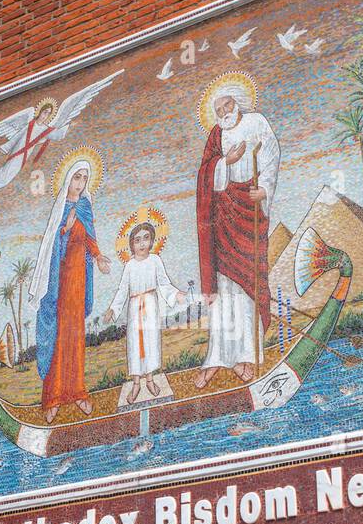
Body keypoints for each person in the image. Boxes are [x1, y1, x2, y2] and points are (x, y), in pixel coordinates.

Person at [194, 76, 280, 388]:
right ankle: (217, 357)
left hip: (250, 211)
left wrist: (265, 190)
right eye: (218, 108)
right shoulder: (216, 136)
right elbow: (205, 175)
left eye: (227, 104)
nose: (224, 111)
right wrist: (224, 163)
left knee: (247, 287)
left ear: (237, 101)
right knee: (224, 290)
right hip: (223, 218)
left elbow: (272, 156)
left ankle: (248, 355)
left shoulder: (257, 122)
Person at [27, 151, 112, 423]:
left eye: (84, 178)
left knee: (76, 338)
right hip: (59, 283)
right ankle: (52, 397)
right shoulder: (60, 209)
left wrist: (98, 258)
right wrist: (65, 228)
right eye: (77, 177)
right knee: (59, 338)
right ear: (68, 179)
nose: (80, 183)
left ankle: (77, 392)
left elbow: (91, 239)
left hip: (79, 281)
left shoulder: (86, 207)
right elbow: (53, 250)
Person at [103, 221, 186, 398]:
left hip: (150, 306)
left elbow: (164, 283)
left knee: (150, 342)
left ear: (152, 240)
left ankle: (149, 380)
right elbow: (122, 289)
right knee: (134, 344)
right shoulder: (130, 266)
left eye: (146, 239)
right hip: (134, 309)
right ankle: (135, 384)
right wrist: (113, 309)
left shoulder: (155, 260)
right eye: (137, 240)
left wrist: (176, 294)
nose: (142, 244)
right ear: (131, 244)